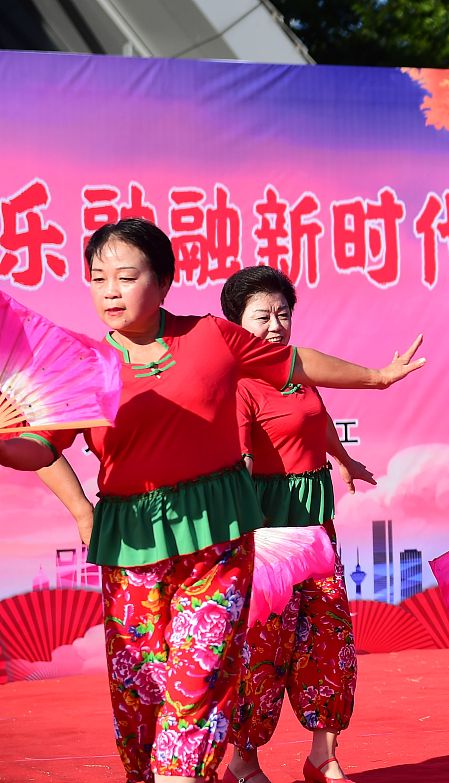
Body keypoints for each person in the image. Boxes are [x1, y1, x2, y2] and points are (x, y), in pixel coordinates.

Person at [0, 218, 424, 783]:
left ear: (164, 281)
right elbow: (39, 448)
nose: (109, 290)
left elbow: (293, 363)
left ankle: (184, 774)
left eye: (126, 277)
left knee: (201, 668)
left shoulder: (211, 337)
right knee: (140, 685)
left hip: (218, 537)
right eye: (98, 278)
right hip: (131, 540)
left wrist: (375, 377)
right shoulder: (83, 366)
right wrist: (38, 473)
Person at [219, 266, 375, 783]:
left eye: (283, 314)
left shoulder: (298, 371)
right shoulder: (239, 384)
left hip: (316, 524)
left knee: (328, 635)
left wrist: (345, 461)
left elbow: (319, 418)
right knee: (263, 644)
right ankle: (243, 759)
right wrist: (245, 529)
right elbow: (237, 460)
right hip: (267, 530)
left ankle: (323, 756)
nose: (275, 326)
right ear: (237, 324)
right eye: (262, 317)